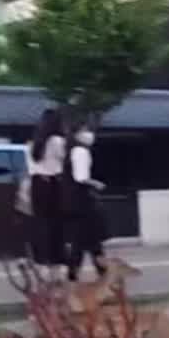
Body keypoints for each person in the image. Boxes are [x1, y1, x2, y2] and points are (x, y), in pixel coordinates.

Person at [63, 119, 107, 281]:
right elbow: (81, 177)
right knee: (89, 240)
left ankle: (75, 275)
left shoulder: (70, 150)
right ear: (77, 134)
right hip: (83, 201)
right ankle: (102, 275)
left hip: (73, 202)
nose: (89, 134)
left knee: (81, 241)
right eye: (85, 130)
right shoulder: (81, 151)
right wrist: (96, 183)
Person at [25, 108, 67, 267]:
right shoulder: (57, 141)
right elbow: (63, 160)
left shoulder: (32, 142)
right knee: (56, 221)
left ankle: (40, 256)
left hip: (36, 183)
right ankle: (56, 255)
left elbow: (30, 166)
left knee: (40, 220)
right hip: (53, 182)